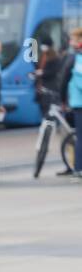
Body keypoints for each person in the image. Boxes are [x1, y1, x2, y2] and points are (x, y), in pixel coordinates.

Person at [61, 28, 82, 178]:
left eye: (73, 40)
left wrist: (62, 99)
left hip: (79, 104)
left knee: (80, 137)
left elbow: (64, 80)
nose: (70, 42)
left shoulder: (75, 58)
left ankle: (78, 168)